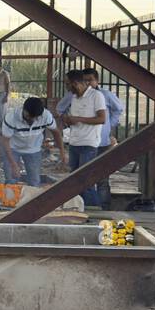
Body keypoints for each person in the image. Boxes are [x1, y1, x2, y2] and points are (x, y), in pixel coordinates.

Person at [59, 70, 107, 207]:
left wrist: (79, 119)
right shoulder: (74, 97)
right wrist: (68, 120)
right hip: (74, 142)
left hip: (89, 143)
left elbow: (102, 119)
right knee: (74, 180)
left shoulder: (96, 96)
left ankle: (94, 209)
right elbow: (70, 116)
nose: (66, 88)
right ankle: (80, 207)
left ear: (76, 83)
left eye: (67, 84)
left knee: (85, 181)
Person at [81, 68, 124, 208]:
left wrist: (109, 124)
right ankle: (88, 205)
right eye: (84, 80)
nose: (87, 83)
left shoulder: (105, 95)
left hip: (102, 143)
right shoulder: (78, 96)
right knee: (85, 176)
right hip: (85, 143)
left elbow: (118, 109)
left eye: (90, 80)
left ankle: (104, 207)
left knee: (102, 178)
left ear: (97, 81)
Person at [0, 96, 64, 187]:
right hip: (13, 148)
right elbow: (5, 141)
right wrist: (13, 164)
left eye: (35, 117)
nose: (32, 120)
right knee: (11, 180)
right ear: (24, 109)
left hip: (34, 150)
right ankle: (11, 200)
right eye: (29, 116)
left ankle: (33, 200)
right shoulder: (11, 117)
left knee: (34, 181)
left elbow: (56, 132)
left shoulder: (46, 115)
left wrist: (62, 151)